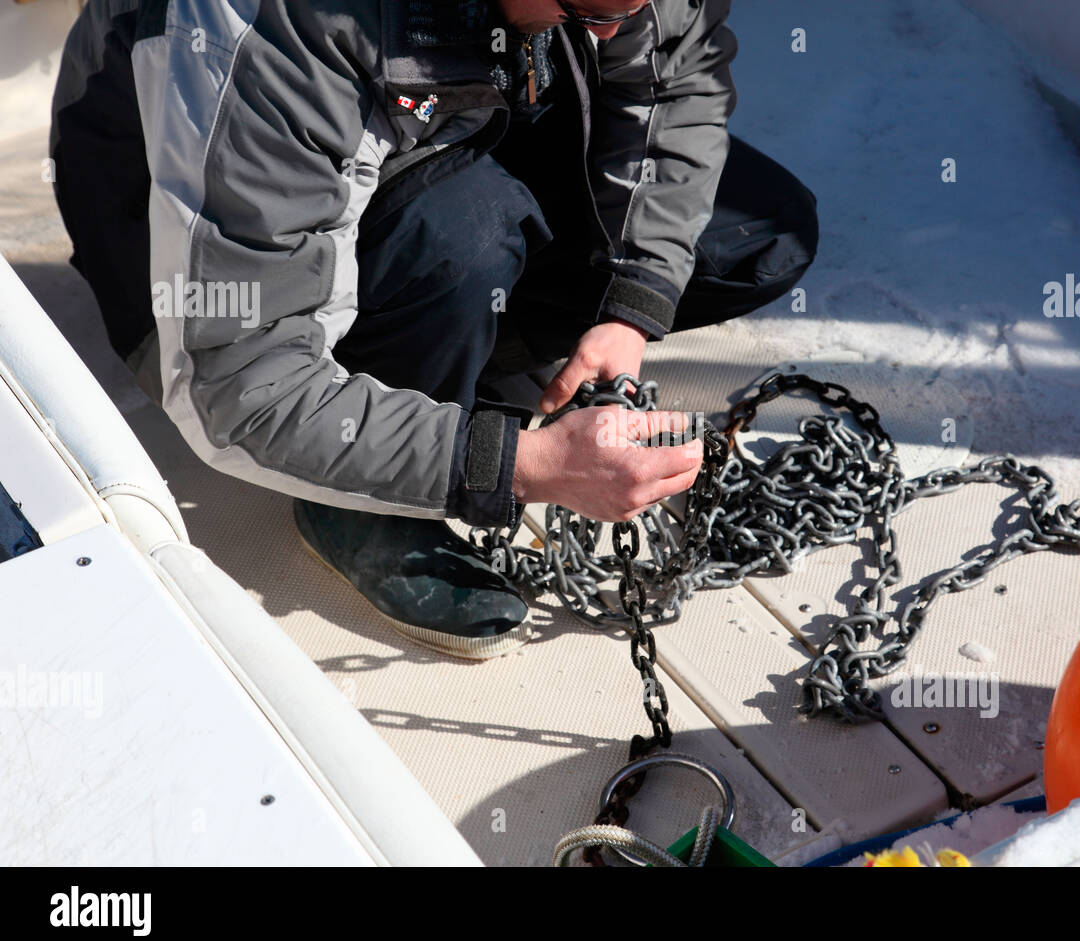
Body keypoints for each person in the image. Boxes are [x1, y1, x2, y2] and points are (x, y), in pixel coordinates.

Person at [49, 0, 819, 656]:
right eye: (590, 14)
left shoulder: (591, 10)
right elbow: (243, 388)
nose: (612, 33)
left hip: (469, 89)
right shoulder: (271, 30)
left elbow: (673, 71)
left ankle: (439, 373)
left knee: (753, 238)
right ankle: (362, 501)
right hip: (194, 256)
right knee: (461, 240)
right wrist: (514, 467)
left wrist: (629, 305)